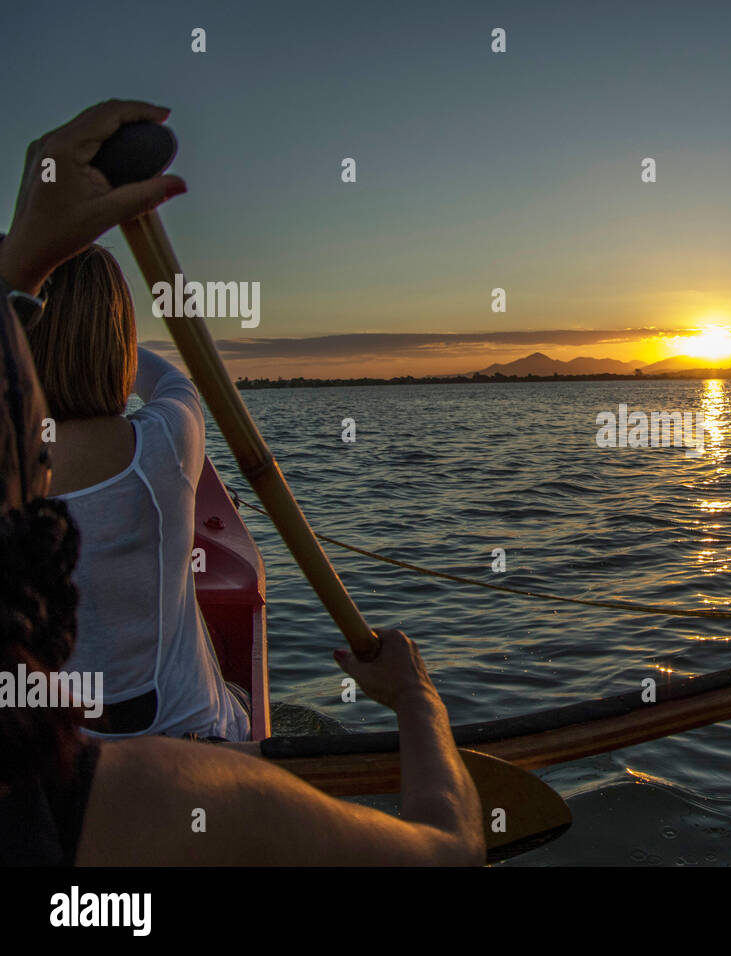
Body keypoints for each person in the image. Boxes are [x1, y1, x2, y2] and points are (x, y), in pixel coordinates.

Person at [0, 100, 484, 865]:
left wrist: (19, 281)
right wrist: (417, 698)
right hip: (193, 740)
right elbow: (449, 855)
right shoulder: (165, 440)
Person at [22, 241, 248, 739]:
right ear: (120, 337)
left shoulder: (12, 470)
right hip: (190, 738)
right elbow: (169, 379)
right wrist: (103, 334)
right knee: (237, 698)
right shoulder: (168, 438)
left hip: (61, 752)